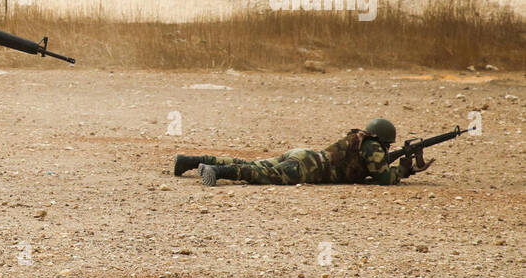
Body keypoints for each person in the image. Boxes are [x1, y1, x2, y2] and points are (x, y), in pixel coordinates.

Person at [173, 118, 431, 186]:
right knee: (260, 175)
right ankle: (217, 171)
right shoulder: (374, 147)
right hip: (306, 169)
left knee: (255, 164)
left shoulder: (361, 140)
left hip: (304, 155)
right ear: (385, 140)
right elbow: (383, 178)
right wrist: (403, 171)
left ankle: (191, 161)